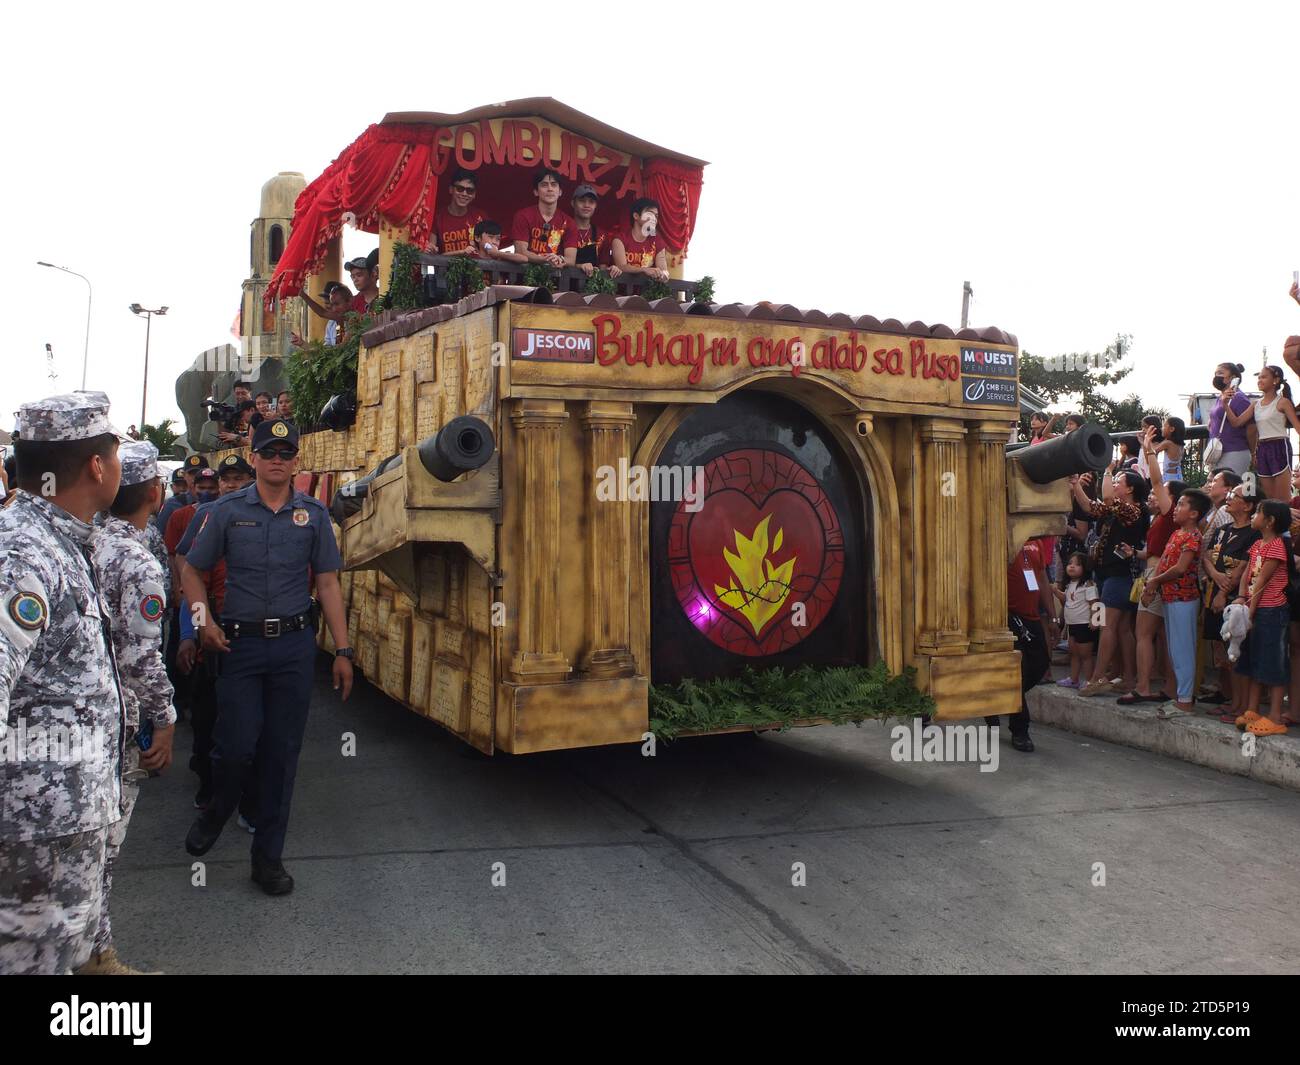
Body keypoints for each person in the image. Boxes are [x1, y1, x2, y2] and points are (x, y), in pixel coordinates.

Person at [181, 419, 353, 895]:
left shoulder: (314, 515)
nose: (278, 460)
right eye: (268, 452)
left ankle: (268, 860)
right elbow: (191, 573)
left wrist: (342, 650)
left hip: (294, 648)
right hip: (239, 646)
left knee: (281, 756)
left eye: (286, 452)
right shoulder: (227, 511)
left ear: (297, 460)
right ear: (253, 458)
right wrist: (202, 622)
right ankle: (218, 809)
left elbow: (328, 584)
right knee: (236, 747)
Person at [0, 392, 127, 974]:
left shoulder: (57, 538)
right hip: (36, 820)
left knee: (61, 954)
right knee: (34, 963)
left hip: (60, 814)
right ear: (97, 467)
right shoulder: (26, 550)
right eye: (115, 452)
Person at [83, 441, 176, 975]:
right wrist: (164, 718)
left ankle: (91, 951)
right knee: (105, 844)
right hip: (120, 720)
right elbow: (142, 655)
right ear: (156, 493)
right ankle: (96, 956)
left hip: (85, 717)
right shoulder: (136, 558)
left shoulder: (87, 542)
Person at [175, 454, 254, 811]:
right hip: (214, 631)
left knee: (249, 723)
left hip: (252, 638)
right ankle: (208, 786)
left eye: (239, 478)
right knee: (208, 719)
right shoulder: (202, 517)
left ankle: (246, 793)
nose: (231, 485)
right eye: (227, 479)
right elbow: (188, 577)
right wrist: (194, 632)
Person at [1117, 436, 1181, 705]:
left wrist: (1149, 452)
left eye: (1162, 492)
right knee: (1164, 636)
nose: (1155, 493)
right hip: (1155, 569)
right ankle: (1169, 685)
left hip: (1156, 577)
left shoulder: (1169, 513)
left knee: (1144, 633)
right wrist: (1136, 554)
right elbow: (1154, 551)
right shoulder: (1159, 519)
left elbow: (1155, 480)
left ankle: (1142, 686)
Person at [1075, 466, 1149, 697]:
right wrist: (1075, 483)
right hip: (1106, 574)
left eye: (1119, 481)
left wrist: (1107, 470)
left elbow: (1106, 496)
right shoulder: (1113, 510)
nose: (1114, 484)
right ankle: (1127, 678)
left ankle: (1098, 677)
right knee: (1123, 628)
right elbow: (1089, 506)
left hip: (1119, 574)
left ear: (1130, 489)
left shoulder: (1135, 511)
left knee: (1107, 625)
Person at [1141, 489, 1209, 715]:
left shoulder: (1193, 536)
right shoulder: (1177, 533)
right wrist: (1152, 584)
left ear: (1194, 513)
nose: (1176, 508)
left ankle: (1185, 700)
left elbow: (1180, 568)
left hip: (1184, 598)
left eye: (1181, 504)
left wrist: (1154, 582)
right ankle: (1182, 695)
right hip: (1170, 597)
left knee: (1183, 650)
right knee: (1174, 648)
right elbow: (1163, 562)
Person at [1233, 499, 1293, 736]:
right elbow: (1248, 573)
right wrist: (1240, 597)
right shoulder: (1257, 544)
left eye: (1258, 512)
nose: (1253, 515)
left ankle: (1276, 717)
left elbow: (1261, 581)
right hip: (1254, 608)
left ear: (1269, 521)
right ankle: (1252, 709)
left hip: (1271, 610)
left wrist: (1249, 610)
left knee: (1273, 662)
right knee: (1253, 659)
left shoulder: (1277, 546)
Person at [984, 540, 1050, 753]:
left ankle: (996, 697)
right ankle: (1020, 729)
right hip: (1007, 616)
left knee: (1041, 664)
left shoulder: (1037, 543)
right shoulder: (998, 537)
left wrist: (1053, 616)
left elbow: (1042, 579)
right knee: (1017, 673)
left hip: (1032, 616)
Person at [1202, 483, 1260, 722]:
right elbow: (1206, 555)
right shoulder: (1223, 529)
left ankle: (1240, 706)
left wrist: (1222, 592)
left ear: (1247, 506)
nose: (1228, 497)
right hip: (1214, 592)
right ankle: (1229, 699)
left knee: (1237, 653)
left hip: (1234, 599)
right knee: (1223, 654)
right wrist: (1214, 576)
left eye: (1234, 496)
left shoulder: (1253, 534)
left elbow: (1243, 569)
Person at [1224, 365, 1300, 500]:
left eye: (1264, 377)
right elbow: (1236, 422)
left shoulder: (1283, 402)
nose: (1259, 380)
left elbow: (1297, 427)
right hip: (1262, 448)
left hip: (1279, 445)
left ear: (1275, 380)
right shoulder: (1255, 404)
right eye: (1258, 377)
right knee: (1269, 498)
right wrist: (1225, 403)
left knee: (1282, 499)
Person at [1052, 551, 1097, 688]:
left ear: (1085, 568)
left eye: (1077, 564)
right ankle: (1074, 679)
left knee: (1086, 655)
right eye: (1070, 563)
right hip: (1072, 625)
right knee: (1073, 653)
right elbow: (1067, 599)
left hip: (1084, 625)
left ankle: (1089, 681)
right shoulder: (1070, 584)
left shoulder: (1088, 584)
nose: (1072, 566)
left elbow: (1095, 603)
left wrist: (1095, 620)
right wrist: (1055, 592)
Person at [511, 169, 574, 267]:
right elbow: (520, 251)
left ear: (560, 192)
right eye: (544, 185)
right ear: (536, 192)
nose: (550, 189)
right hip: (525, 275)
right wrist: (544, 259)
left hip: (555, 278)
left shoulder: (569, 222)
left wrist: (560, 259)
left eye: (554, 184)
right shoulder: (523, 216)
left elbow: (571, 259)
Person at [1207, 362, 1254, 476]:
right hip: (1218, 453)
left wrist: (1253, 452)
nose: (1217, 376)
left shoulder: (1239, 398)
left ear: (1233, 378)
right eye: (1216, 373)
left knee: (1227, 488)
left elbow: (1251, 427)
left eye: (1221, 373)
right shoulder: (1221, 397)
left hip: (1234, 452)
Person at [609, 197, 670, 282]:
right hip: (620, 293)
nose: (654, 219)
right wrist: (644, 270)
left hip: (646, 293)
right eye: (650, 214)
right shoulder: (620, 239)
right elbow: (621, 266)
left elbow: (664, 270)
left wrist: (663, 275)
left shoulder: (657, 241)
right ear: (636, 216)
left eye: (656, 216)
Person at [563, 184, 616, 277]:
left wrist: (612, 269)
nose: (586, 205)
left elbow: (602, 267)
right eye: (582, 201)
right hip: (562, 285)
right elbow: (556, 261)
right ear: (573, 203)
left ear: (595, 205)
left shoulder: (602, 235)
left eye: (591, 202)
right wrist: (580, 266)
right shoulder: (561, 230)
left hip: (591, 288)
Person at [433, 168, 486, 255]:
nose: (464, 194)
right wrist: (432, 250)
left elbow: (490, 248)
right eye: (460, 188)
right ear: (451, 189)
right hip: (447, 267)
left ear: (474, 194)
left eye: (470, 191)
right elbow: (432, 249)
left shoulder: (480, 216)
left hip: (476, 268)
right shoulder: (438, 217)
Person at [1153, 416, 1185, 482]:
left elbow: (1153, 451)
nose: (1162, 429)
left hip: (1168, 478)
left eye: (1164, 426)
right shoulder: (1180, 445)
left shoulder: (1168, 443)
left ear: (1171, 429)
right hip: (1178, 476)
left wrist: (1148, 439)